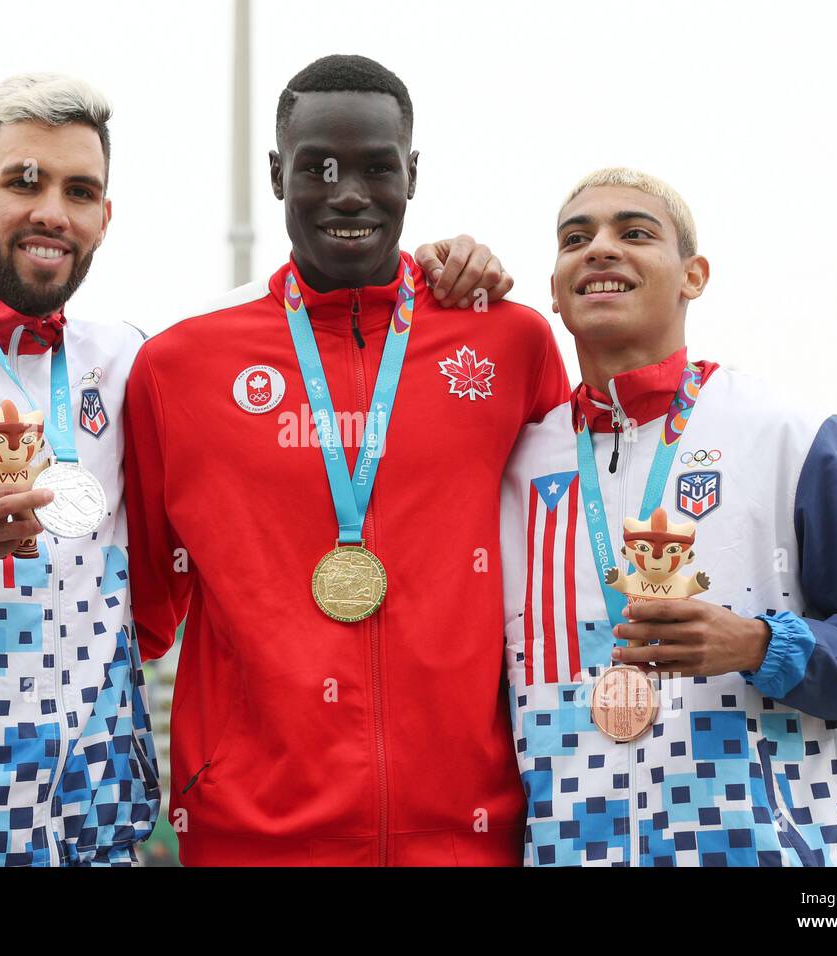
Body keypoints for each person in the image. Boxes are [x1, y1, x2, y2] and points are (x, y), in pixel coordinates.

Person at [0, 70, 507, 867]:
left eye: (80, 192)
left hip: (94, 837)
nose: (53, 212)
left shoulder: (125, 364)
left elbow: (297, 301)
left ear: (105, 216)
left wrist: (434, 268)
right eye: (24, 181)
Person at [124, 54, 570, 866]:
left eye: (377, 168)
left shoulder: (511, 342)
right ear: (275, 175)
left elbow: (571, 572)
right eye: (318, 168)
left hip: (475, 831)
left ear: (414, 174)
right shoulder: (177, 369)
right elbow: (136, 612)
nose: (350, 193)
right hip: (251, 834)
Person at [500, 168, 837, 866]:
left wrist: (763, 649)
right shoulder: (516, 465)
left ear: (694, 275)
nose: (599, 248)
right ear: (555, 291)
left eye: (634, 233)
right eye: (575, 238)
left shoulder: (788, 434)